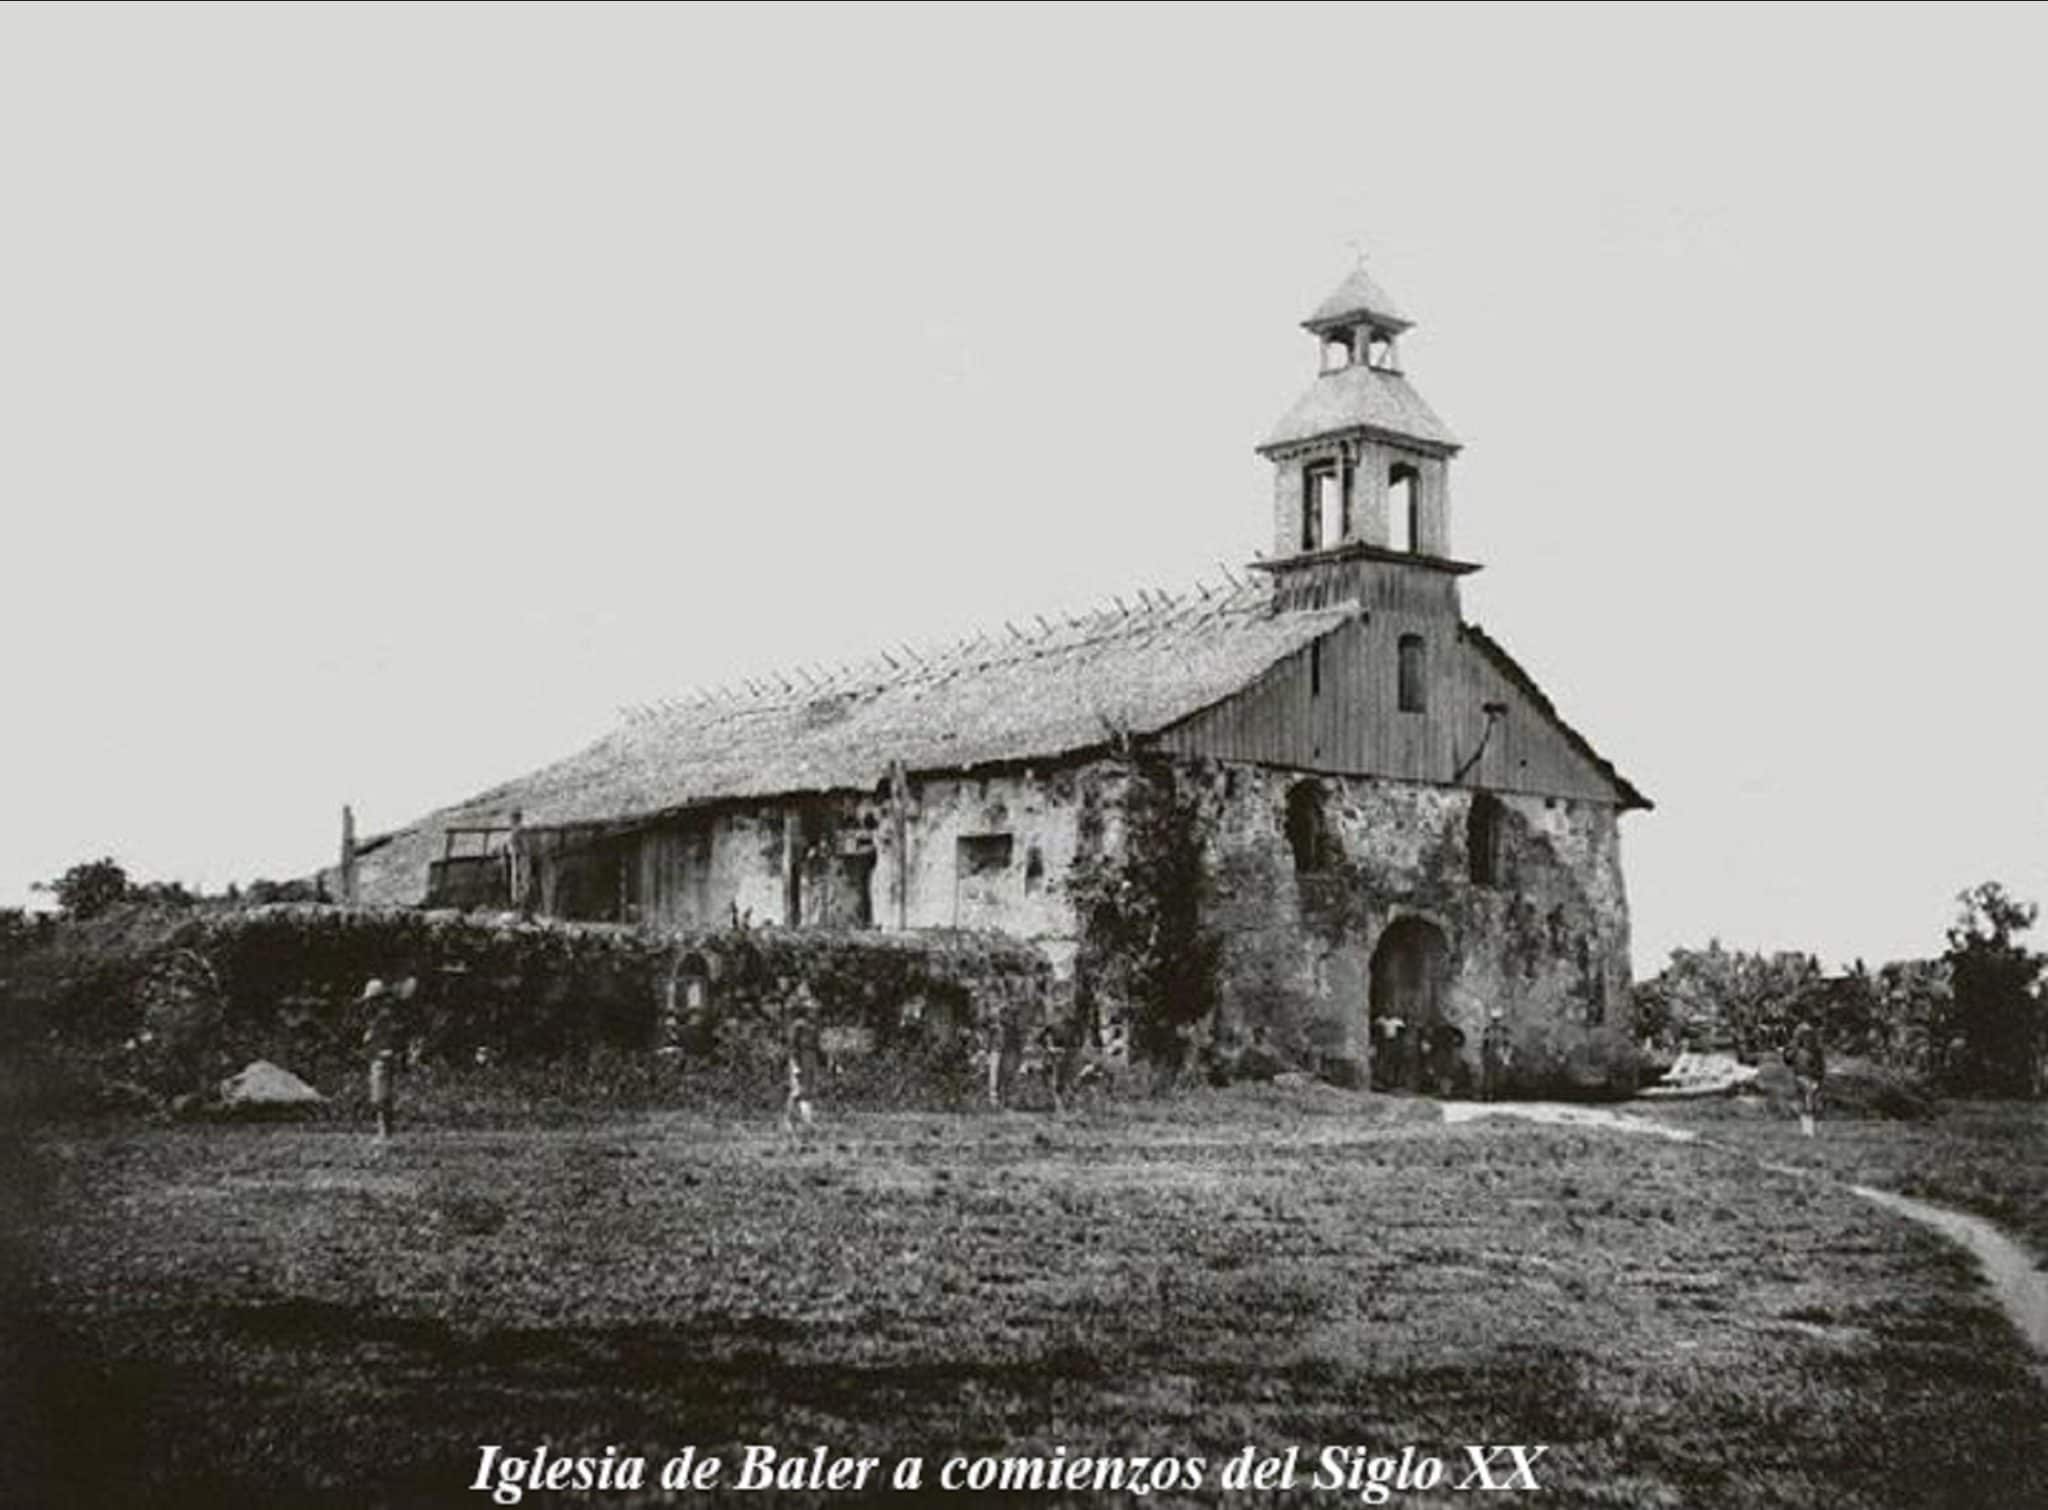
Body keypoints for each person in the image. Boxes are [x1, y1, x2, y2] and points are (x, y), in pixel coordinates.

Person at [782, 984, 824, 1134]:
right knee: (798, 1089)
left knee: (805, 1089)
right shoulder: (798, 1025)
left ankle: (801, 1121)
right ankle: (799, 1121)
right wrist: (795, 1062)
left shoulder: (812, 1027)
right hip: (801, 1055)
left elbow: (816, 1043)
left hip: (809, 1055)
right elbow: (792, 1043)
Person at [1789, 1021, 1826, 1138]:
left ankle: (1813, 1130)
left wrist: (1818, 1079)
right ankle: (1807, 1130)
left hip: (1812, 1078)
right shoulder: (1797, 1050)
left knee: (1813, 1105)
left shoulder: (1816, 1051)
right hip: (1801, 1078)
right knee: (1805, 1104)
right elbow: (1789, 1060)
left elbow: (1820, 1067)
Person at [1480, 1008, 1512, 1102]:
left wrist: (1506, 1056)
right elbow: (1484, 1043)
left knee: (1500, 1076)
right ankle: (1486, 1095)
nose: (1496, 1022)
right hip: (1490, 1053)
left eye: (1497, 1020)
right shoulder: (1487, 1029)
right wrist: (1483, 1055)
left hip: (1500, 1053)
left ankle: (1499, 1095)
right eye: (1494, 1019)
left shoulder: (1504, 1030)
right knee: (1488, 1076)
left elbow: (1507, 1043)